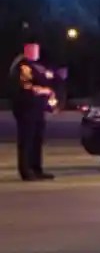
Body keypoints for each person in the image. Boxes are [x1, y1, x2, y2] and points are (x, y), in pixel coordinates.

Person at [8, 43, 55, 181]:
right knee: (27, 139)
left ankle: (36, 168)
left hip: (37, 107)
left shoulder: (35, 66)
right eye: (33, 48)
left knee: (37, 139)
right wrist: (45, 90)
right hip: (26, 107)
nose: (36, 51)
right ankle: (26, 170)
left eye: (37, 48)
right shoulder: (23, 66)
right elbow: (27, 86)